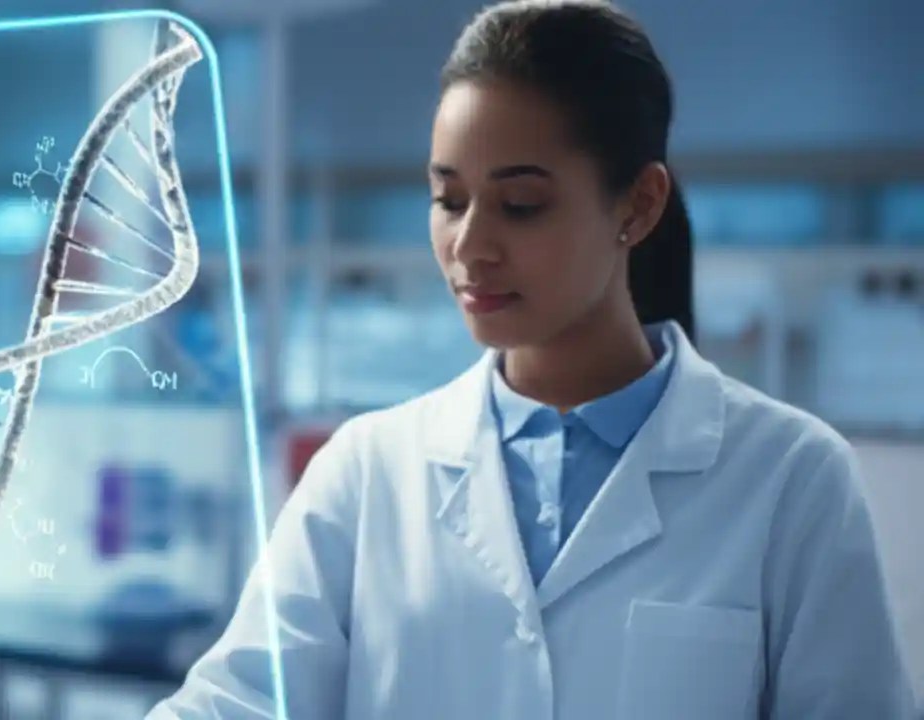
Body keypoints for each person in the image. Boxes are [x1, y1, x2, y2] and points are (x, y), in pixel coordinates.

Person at [147, 1, 918, 718]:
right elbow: (236, 704)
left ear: (639, 205)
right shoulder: (366, 473)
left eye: (521, 205)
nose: (470, 246)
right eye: (449, 200)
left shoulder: (791, 479)